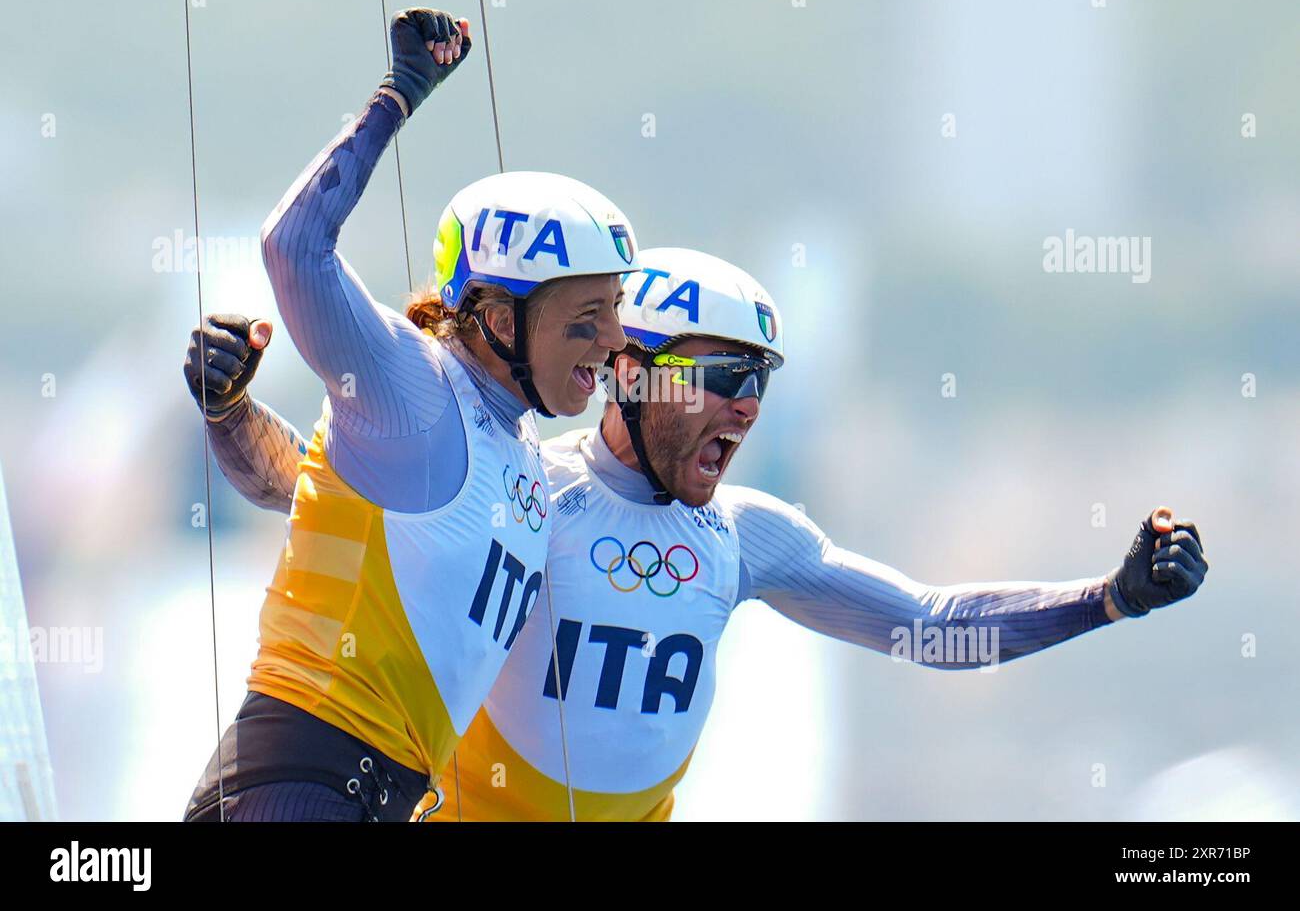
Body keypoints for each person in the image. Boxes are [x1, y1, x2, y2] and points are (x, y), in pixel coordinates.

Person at [186, 248, 1209, 821]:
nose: (745, 407)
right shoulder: (519, 485)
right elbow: (293, 485)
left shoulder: (749, 538)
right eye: (721, 376)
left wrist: (1109, 597)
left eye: (758, 382)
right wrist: (230, 410)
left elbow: (928, 625)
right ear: (629, 372)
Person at [183, 7, 640, 822]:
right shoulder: (414, 383)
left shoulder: (517, 448)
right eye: (586, 318)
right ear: (500, 321)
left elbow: (305, 492)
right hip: (294, 786)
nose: (613, 341)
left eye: (614, 311)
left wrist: (230, 412)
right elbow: (292, 247)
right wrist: (398, 94)